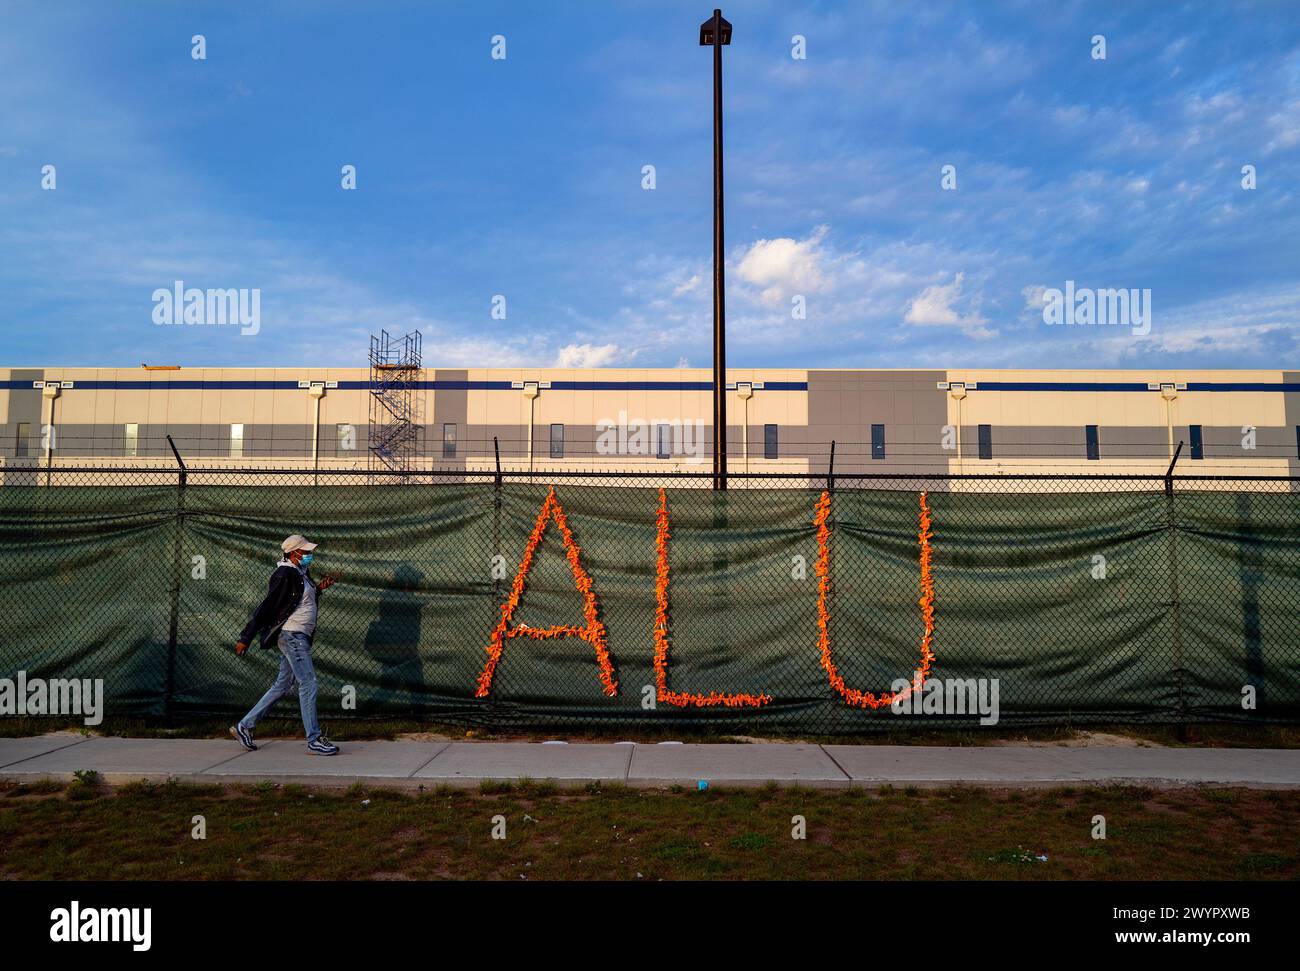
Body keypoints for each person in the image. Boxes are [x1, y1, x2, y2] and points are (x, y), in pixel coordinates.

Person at [230, 534, 340, 755]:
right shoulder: (284, 573)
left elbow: (297, 600)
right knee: (308, 682)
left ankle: (245, 726)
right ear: (293, 553)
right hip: (292, 635)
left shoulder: (300, 572)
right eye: (305, 552)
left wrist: (318, 588)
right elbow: (267, 606)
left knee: (282, 685)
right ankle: (314, 739)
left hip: (300, 636)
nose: (309, 555)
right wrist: (246, 637)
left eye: (309, 552)